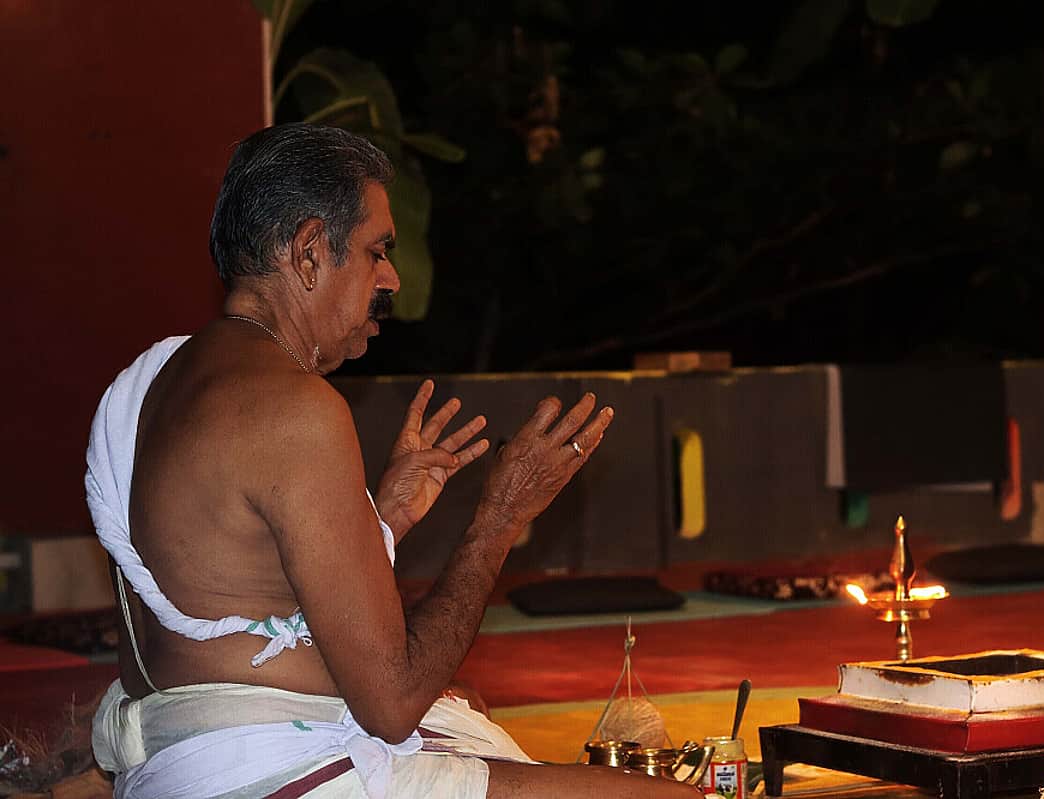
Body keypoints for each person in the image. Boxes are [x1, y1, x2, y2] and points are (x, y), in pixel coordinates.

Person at [86, 124, 700, 798]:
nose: (391, 278)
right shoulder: (295, 406)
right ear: (311, 250)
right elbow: (393, 700)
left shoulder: (152, 380)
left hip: (169, 765)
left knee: (466, 706)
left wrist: (384, 518)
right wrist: (498, 520)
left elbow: (239, 581)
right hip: (268, 774)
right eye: (377, 251)